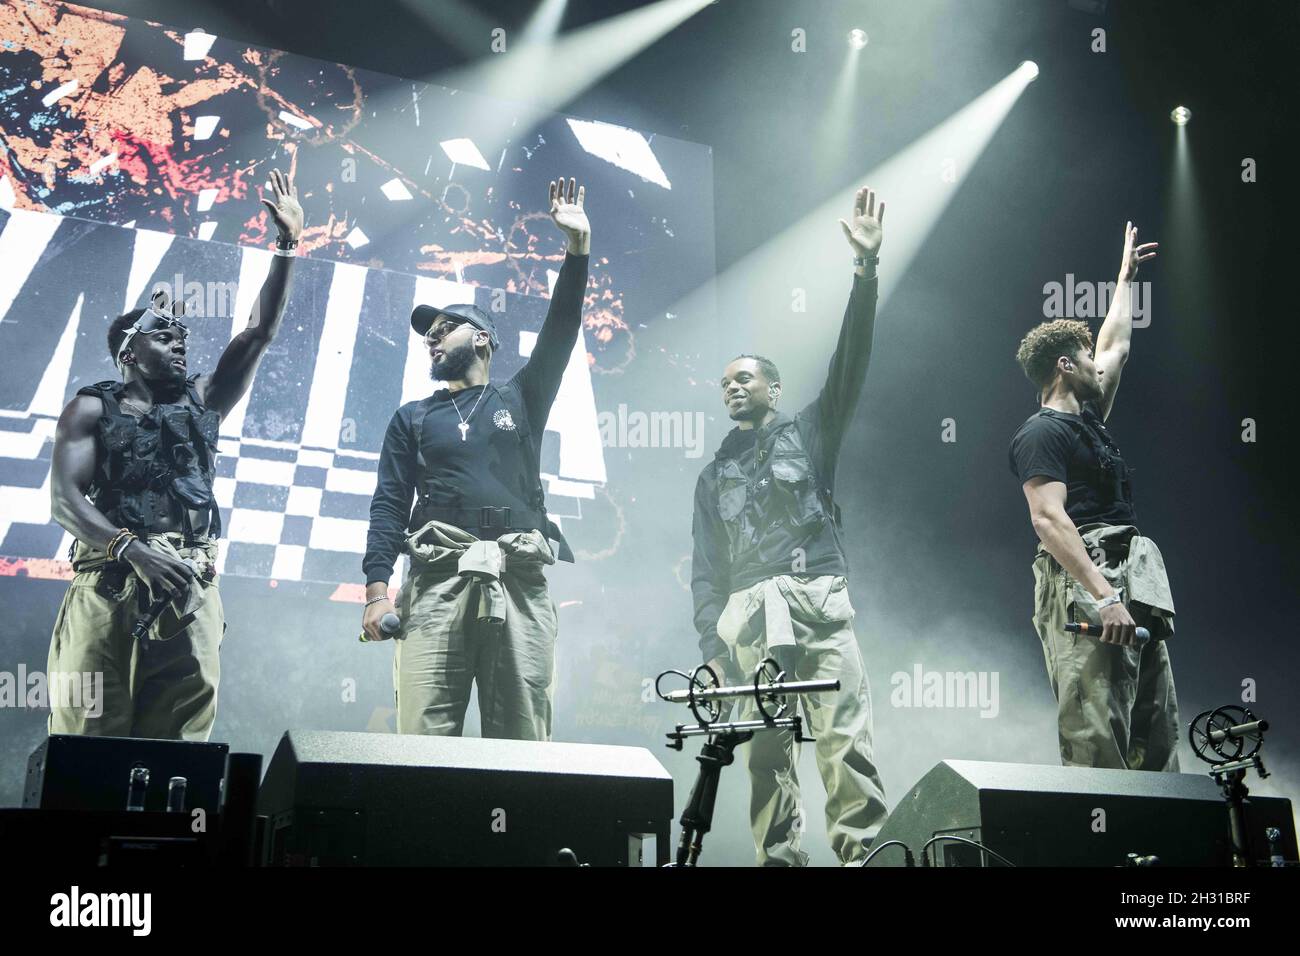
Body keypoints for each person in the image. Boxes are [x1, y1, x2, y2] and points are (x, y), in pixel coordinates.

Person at [46, 168, 304, 739]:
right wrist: (130, 549)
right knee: (87, 741)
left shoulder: (204, 399)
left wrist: (287, 246)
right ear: (128, 351)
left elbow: (258, 333)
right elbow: (63, 500)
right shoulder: (91, 408)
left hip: (188, 580)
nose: (180, 340)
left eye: (182, 335)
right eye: (164, 335)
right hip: (109, 581)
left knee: (179, 749)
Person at [690, 186, 889, 866]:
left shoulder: (811, 429)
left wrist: (864, 273)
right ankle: (779, 863)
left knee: (845, 740)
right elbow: (703, 571)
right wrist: (711, 651)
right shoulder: (712, 475)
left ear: (773, 388)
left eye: (744, 379)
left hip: (819, 602)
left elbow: (851, 362)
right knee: (768, 756)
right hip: (750, 615)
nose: (732, 388)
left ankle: (864, 857)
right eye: (724, 384)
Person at [362, 176, 590, 741]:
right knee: (423, 740)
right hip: (438, 579)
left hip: (518, 576)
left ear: (483, 338)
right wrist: (375, 591)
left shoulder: (521, 397)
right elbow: (388, 506)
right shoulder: (413, 417)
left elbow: (561, 330)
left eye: (444, 329)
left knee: (522, 740)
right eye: (427, 335)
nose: (432, 340)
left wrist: (577, 249)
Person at [1010, 222, 1180, 771]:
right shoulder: (1042, 432)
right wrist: (1104, 596)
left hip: (1128, 570)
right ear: (1065, 366)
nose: (1097, 365)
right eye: (1086, 359)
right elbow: (1048, 520)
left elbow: (1116, 345)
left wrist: (1125, 279)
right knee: (1095, 732)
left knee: (1155, 729)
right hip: (1085, 574)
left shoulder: (1088, 421)